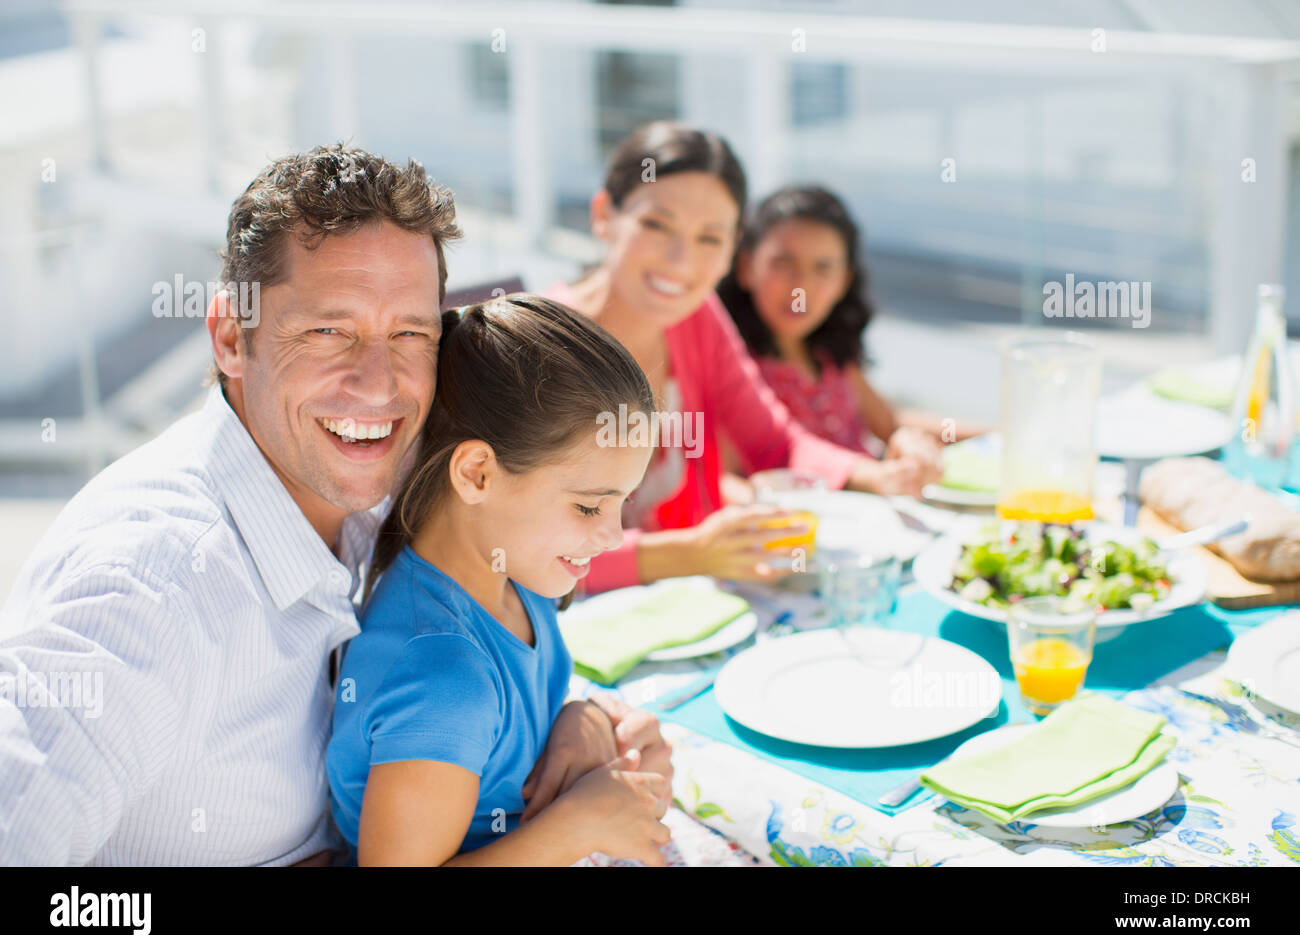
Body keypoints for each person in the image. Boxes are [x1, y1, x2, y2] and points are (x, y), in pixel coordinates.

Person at [0, 146, 668, 865]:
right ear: (231, 335)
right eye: (329, 330)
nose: (378, 385)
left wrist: (585, 719)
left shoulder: (372, 475)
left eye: (410, 332)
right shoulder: (148, 588)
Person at [327, 294, 672, 866]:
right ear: (477, 473)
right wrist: (579, 824)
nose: (613, 535)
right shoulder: (444, 678)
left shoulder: (518, 580)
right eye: (589, 508)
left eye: (622, 503)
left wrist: (582, 718)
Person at [543, 122, 942, 595]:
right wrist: (689, 553)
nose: (681, 260)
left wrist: (882, 474)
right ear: (604, 214)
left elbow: (777, 444)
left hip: (699, 607)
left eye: (709, 238)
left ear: (733, 249)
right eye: (656, 224)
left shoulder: (697, 317)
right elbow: (529, 549)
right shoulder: (541, 343)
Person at [717, 185, 981, 464]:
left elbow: (891, 425)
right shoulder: (733, 370)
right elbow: (727, 476)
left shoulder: (834, 355)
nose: (800, 288)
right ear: (746, 267)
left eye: (823, 268)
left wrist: (996, 435)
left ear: (844, 281)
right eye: (784, 263)